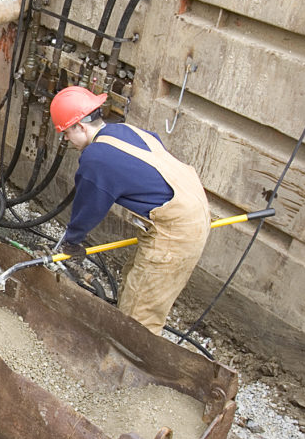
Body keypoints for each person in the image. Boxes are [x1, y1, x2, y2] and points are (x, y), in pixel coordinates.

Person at [49, 86, 210, 334]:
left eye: (66, 132)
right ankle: (121, 332)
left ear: (81, 126)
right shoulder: (122, 130)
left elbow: (88, 207)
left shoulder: (96, 158)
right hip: (188, 205)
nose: (66, 139)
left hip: (176, 230)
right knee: (134, 279)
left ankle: (132, 363)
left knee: (140, 316)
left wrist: (71, 242)